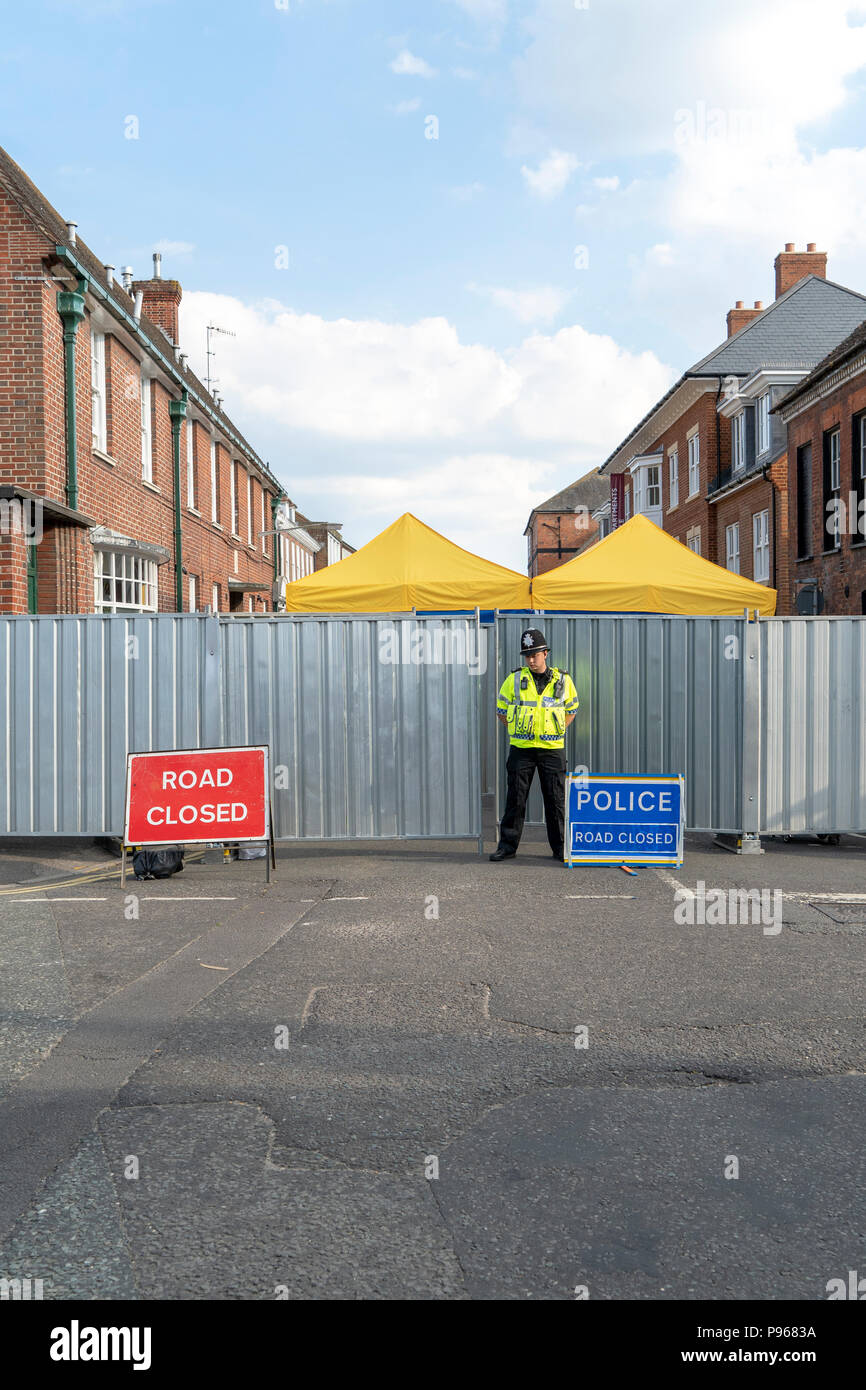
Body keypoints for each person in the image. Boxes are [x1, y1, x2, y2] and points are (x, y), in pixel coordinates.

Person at [490, 628, 579, 862]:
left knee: (555, 801)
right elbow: (501, 711)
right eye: (527, 655)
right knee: (516, 799)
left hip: (552, 751)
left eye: (535, 654)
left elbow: (572, 710)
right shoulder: (515, 679)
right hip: (522, 749)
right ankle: (507, 847)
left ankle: (560, 848)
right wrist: (518, 729)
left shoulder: (563, 680)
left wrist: (555, 730)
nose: (531, 659)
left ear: (546, 653)